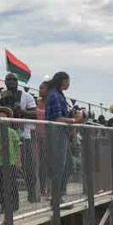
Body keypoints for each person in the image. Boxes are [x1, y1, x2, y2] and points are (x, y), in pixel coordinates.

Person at [44, 71, 85, 206]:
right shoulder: (54, 95)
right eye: (67, 81)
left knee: (68, 166)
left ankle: (60, 195)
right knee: (60, 166)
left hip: (62, 133)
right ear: (62, 81)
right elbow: (57, 118)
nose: (68, 84)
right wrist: (75, 119)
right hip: (57, 133)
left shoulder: (58, 94)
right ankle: (57, 198)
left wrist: (71, 115)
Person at [0, 72, 38, 203]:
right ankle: (10, 197)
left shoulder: (26, 96)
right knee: (7, 167)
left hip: (23, 134)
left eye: (13, 79)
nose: (11, 82)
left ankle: (32, 192)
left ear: (17, 82)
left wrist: (22, 112)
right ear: (5, 82)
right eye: (8, 79)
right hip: (6, 135)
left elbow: (35, 114)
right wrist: (3, 100)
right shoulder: (1, 96)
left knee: (28, 166)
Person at [0, 105, 21, 211]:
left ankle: (14, 204)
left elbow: (17, 146)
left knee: (12, 184)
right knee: (2, 185)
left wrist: (18, 160)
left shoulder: (12, 132)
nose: (1, 120)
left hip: (11, 162)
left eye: (3, 117)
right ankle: (4, 205)